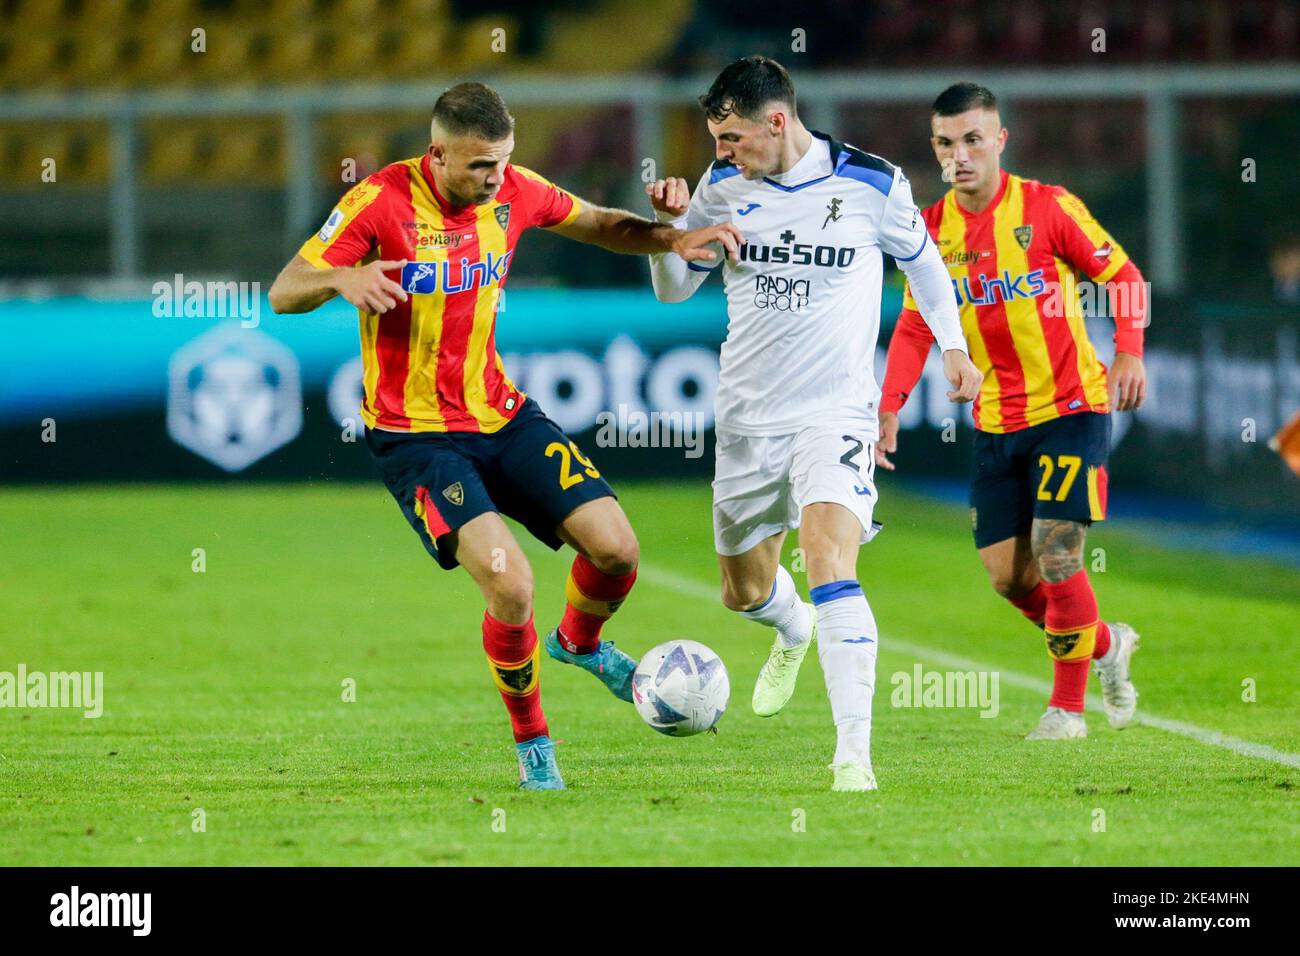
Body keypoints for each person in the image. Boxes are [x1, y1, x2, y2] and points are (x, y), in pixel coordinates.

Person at [268, 82, 743, 790]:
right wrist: (343, 277)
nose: (495, 179)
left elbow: (600, 224)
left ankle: (577, 643)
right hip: (418, 438)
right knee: (510, 584)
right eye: (480, 167)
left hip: (501, 414)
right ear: (438, 155)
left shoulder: (513, 189)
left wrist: (673, 234)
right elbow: (284, 289)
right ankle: (533, 745)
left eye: (502, 163)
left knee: (617, 550)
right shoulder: (379, 202)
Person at [646, 56, 981, 791]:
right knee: (741, 590)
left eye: (731, 138)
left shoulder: (873, 183)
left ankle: (852, 756)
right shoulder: (721, 188)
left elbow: (924, 266)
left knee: (830, 556)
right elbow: (674, 291)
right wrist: (673, 230)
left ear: (777, 120)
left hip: (836, 411)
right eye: (714, 140)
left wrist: (953, 347)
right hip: (746, 418)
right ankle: (791, 627)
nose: (720, 154)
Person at [877, 82, 1147, 740]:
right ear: (935, 148)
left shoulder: (1048, 208)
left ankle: (1067, 710)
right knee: (1008, 576)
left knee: (1057, 553)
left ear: (1000, 139)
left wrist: (1129, 352)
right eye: (946, 143)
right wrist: (888, 407)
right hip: (997, 422)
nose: (960, 155)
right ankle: (1106, 643)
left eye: (973, 139)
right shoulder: (929, 232)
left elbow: (1124, 277)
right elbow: (916, 326)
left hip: (1070, 407)